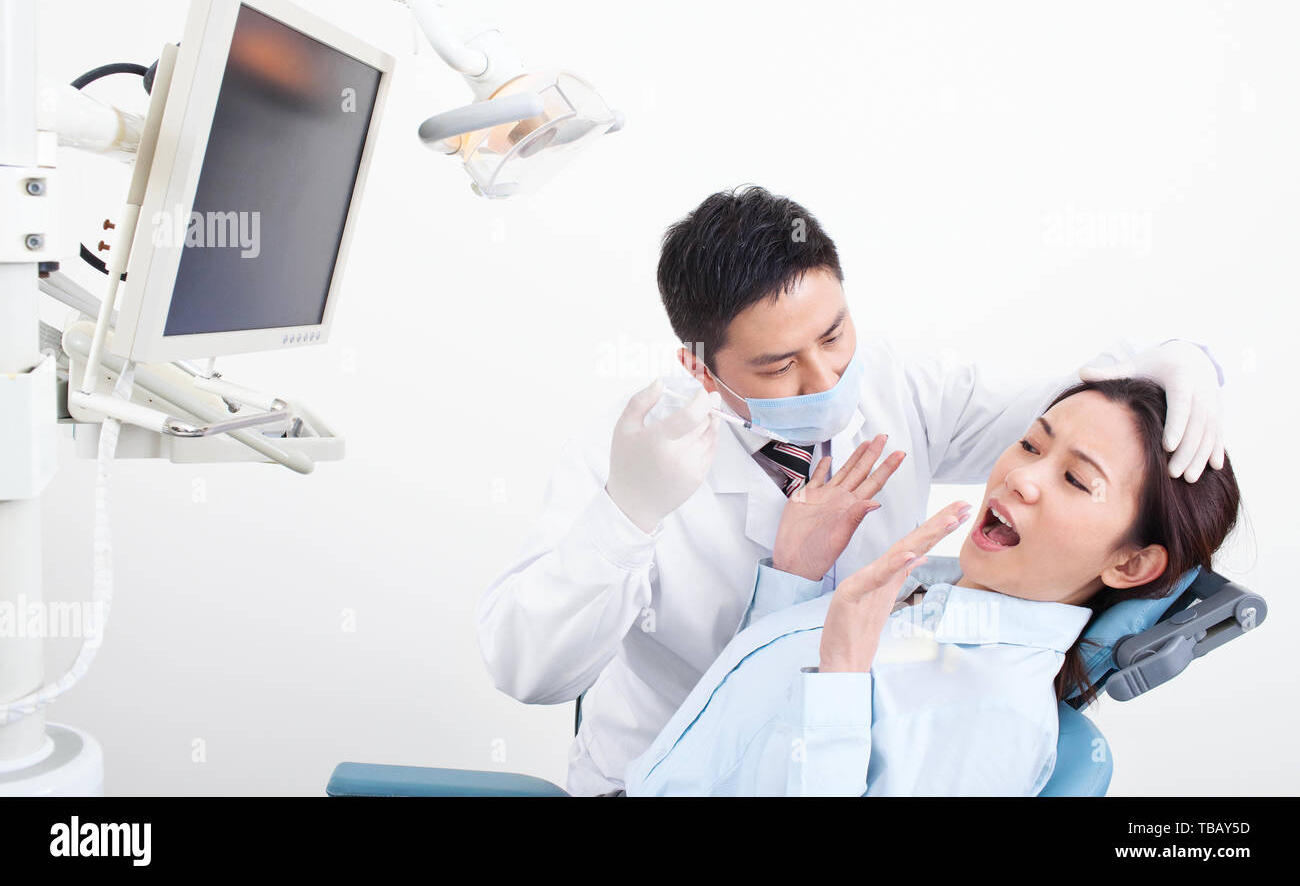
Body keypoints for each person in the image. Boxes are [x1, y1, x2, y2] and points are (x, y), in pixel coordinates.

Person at [476, 186, 1227, 795]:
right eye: (778, 366)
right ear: (700, 369)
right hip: (650, 767)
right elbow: (528, 669)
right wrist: (627, 514)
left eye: (835, 335)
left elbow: (1083, 423)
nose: (826, 379)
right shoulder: (630, 458)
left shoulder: (903, 391)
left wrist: (1177, 359)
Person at [625, 377, 1242, 795]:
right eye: (1031, 444)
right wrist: (793, 579)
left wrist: (842, 678)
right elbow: (757, 728)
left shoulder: (1000, 715)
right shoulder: (926, 591)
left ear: (1131, 566)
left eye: (1077, 481)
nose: (1021, 477)